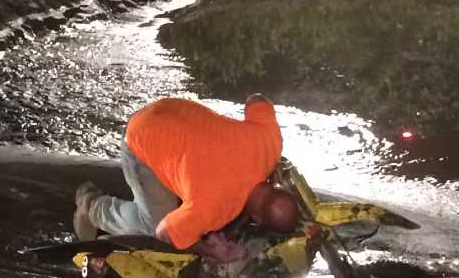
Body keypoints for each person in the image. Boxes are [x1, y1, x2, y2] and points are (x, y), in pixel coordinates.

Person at [75, 94, 301, 260]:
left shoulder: (270, 143)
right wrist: (210, 250)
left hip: (167, 109)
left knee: (188, 192)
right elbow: (165, 232)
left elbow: (257, 99)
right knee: (152, 223)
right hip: (140, 137)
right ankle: (94, 207)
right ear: (257, 221)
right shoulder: (215, 208)